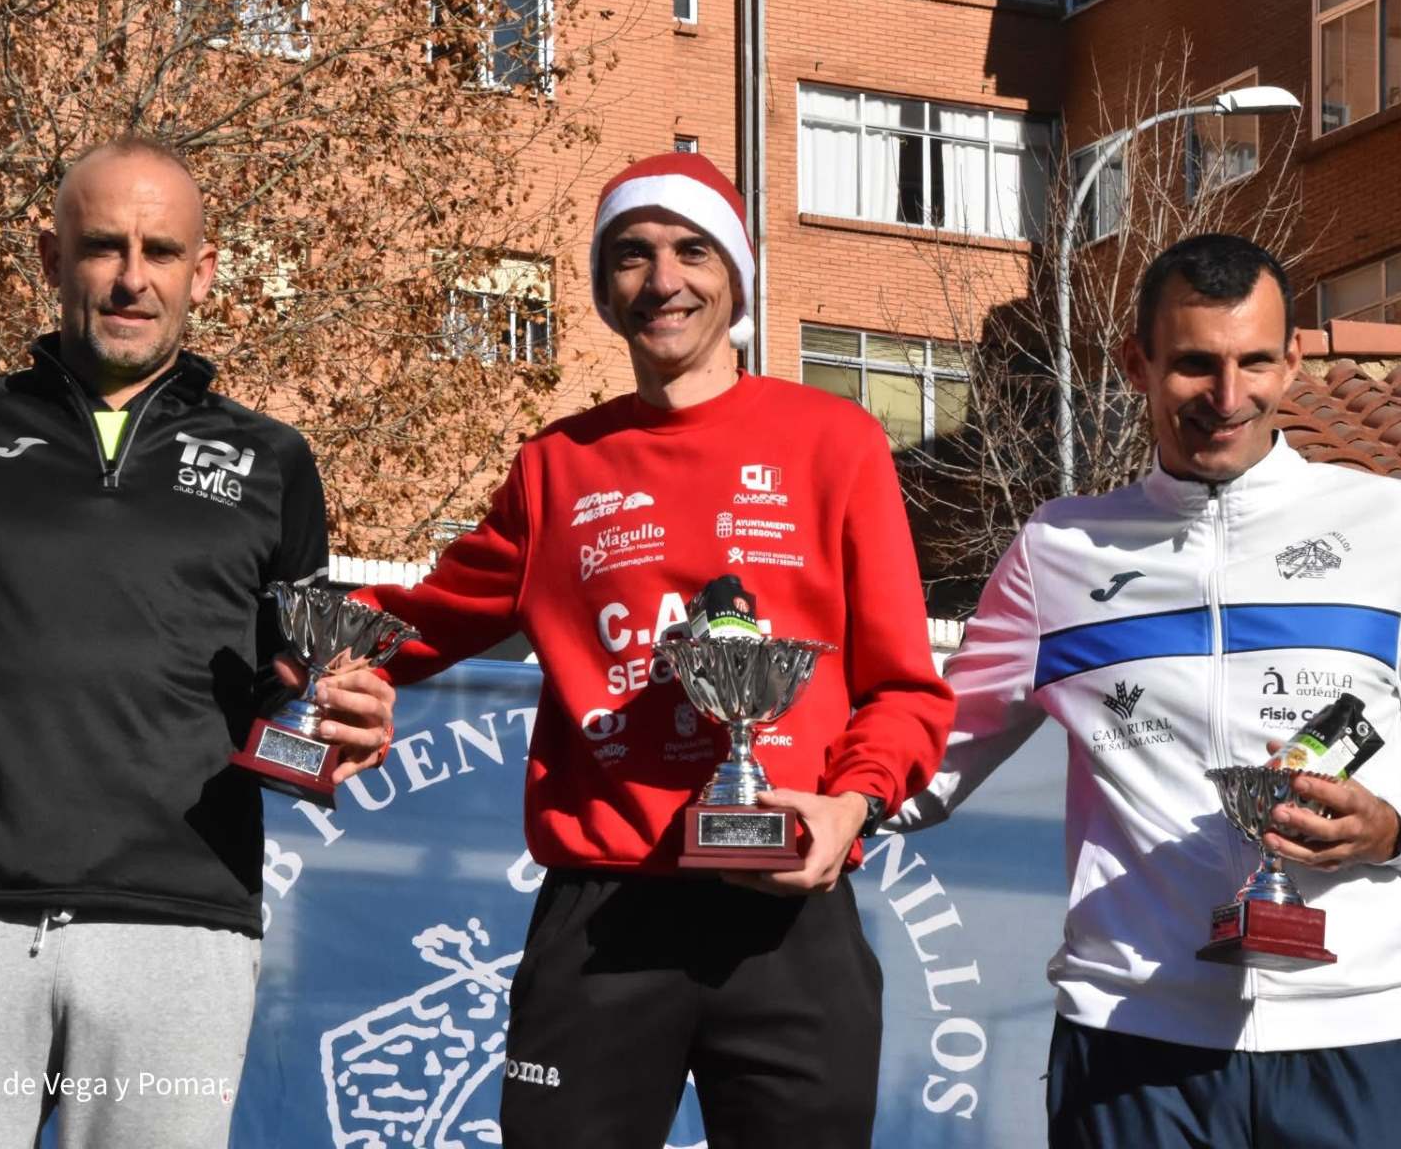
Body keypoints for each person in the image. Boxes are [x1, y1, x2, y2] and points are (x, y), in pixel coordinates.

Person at [348, 151, 954, 1147]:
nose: (662, 279)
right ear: (603, 284)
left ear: (736, 275)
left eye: (690, 249)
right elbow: (416, 616)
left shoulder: (835, 440)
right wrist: (295, 650)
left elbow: (904, 689)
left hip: (791, 921)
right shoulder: (556, 468)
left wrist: (851, 806)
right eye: (631, 254)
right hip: (604, 922)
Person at [0, 136, 394, 1148]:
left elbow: (294, 678)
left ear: (201, 271)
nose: (131, 278)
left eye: (161, 250)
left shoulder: (273, 460)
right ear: (50, 257)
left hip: (181, 928)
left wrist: (349, 713)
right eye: (103, 247)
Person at [895, 233, 1401, 1148]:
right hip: (1135, 1043)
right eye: (1196, 364)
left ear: (1294, 359)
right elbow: (931, 757)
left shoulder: (1398, 526)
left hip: (1361, 1036)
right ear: (1138, 365)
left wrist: (1398, 826)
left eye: (1254, 362)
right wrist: (796, 796)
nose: (1228, 398)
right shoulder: (1059, 551)